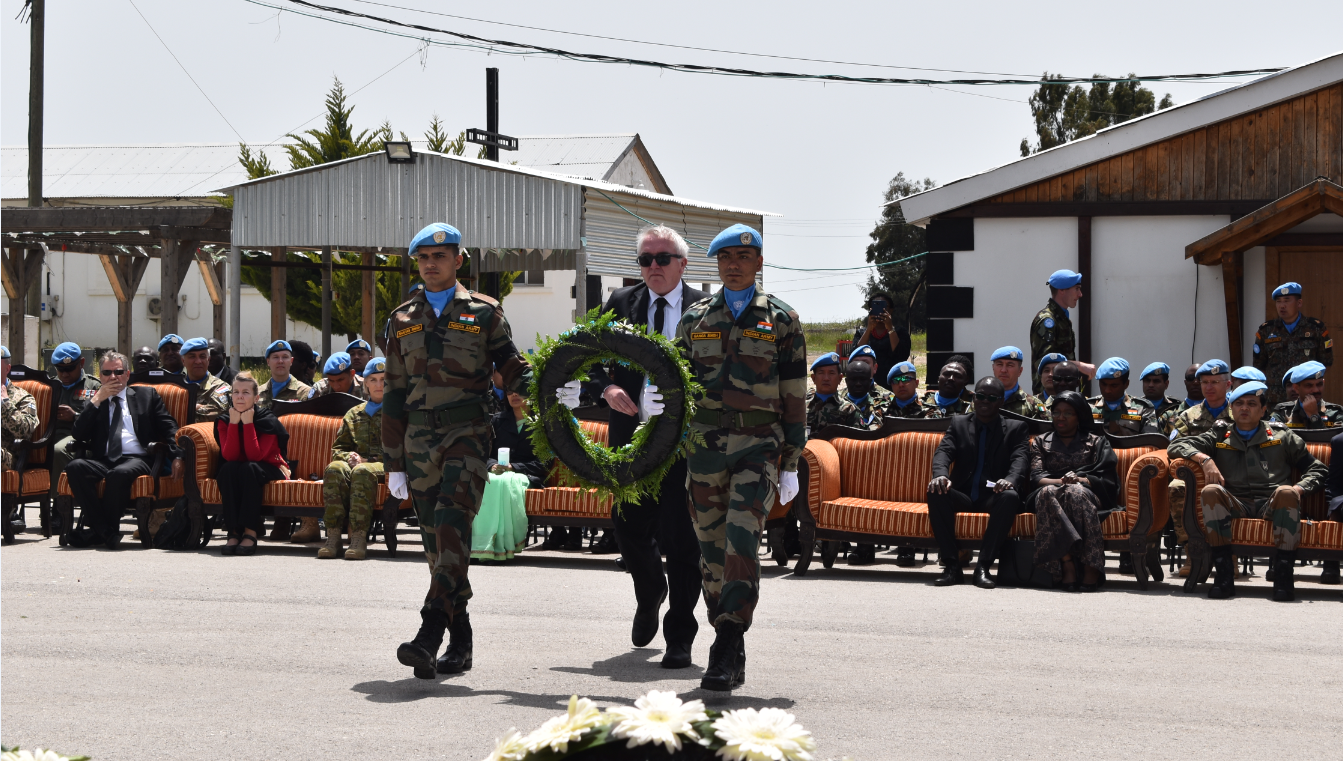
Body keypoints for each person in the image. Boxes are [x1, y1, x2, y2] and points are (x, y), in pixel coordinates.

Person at [387, 222, 533, 679]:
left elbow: (512, 364)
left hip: (466, 434)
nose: (431, 264)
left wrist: (542, 389)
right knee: (437, 543)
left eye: (440, 256)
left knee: (453, 525)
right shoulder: (402, 318)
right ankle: (461, 638)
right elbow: (393, 391)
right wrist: (393, 462)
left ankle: (429, 632)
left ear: (458, 260)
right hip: (418, 441)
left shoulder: (484, 312)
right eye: (424, 258)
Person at [561, 224, 710, 668]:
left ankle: (680, 634)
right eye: (645, 260)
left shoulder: (704, 310)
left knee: (682, 540)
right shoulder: (622, 303)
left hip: (683, 443)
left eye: (662, 259)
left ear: (683, 264)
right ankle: (650, 593)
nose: (653, 267)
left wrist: (686, 399)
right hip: (630, 440)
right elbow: (584, 353)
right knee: (627, 528)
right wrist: (605, 389)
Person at [671, 223, 805, 691]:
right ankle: (730, 634)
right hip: (704, 448)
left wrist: (791, 460)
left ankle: (726, 641)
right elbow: (675, 382)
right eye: (725, 258)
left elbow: (794, 393)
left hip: (758, 445)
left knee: (742, 540)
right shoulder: (695, 319)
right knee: (711, 551)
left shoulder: (782, 319)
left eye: (743, 258)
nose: (733, 265)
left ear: (759, 263)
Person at [1169, 381, 1327, 601]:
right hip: (1236, 502)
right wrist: (1205, 459)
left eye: (1252, 404)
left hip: (1272, 503)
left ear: (1263, 410)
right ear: (1231, 409)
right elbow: (1175, 446)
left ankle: (1283, 577)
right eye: (1239, 403)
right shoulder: (1220, 434)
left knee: (1286, 492)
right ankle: (1224, 576)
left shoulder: (1282, 436)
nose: (1244, 408)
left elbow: (1317, 469)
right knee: (1211, 491)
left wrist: (1299, 489)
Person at [63, 351, 179, 549]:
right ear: (100, 376)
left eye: (118, 372)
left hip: (138, 459)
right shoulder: (95, 401)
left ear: (127, 374)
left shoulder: (146, 396)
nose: (113, 377)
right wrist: (97, 400)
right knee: (75, 467)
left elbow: (170, 428)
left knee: (119, 473)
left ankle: (99, 532)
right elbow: (78, 434)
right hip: (104, 459)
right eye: (107, 373)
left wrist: (178, 456)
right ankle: (105, 531)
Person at [926, 376, 1030, 588]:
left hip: (993, 495)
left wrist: (1009, 480)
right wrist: (941, 475)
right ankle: (952, 566)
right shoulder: (959, 424)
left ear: (1001, 401)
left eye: (991, 398)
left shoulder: (1016, 428)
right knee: (936, 490)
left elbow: (1020, 460)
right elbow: (944, 452)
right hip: (963, 494)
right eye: (980, 396)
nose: (984, 401)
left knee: (1010, 497)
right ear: (974, 398)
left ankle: (983, 566)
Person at [1028, 391, 1118, 591]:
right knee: (1047, 492)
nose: (1061, 417)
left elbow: (1107, 479)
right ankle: (1067, 562)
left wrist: (1079, 480)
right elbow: (1036, 477)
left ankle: (1090, 565)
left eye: (1068, 413)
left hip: (1087, 492)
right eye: (1056, 412)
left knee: (1075, 492)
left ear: (1079, 416)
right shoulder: (1041, 441)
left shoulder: (1096, 442)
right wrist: (1062, 481)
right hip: (1049, 491)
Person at [1166, 359, 1233, 574]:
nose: (1208, 387)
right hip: (1195, 474)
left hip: (1232, 474)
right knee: (1177, 487)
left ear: (1228, 384)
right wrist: (1203, 459)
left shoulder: (1240, 411)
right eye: (1204, 382)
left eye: (1214, 382)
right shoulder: (1188, 416)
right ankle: (1192, 553)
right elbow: (1174, 447)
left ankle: (1230, 556)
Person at [215, 372, 290, 556]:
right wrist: (234, 423)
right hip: (242, 467)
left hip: (271, 467)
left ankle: (250, 531)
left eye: (246, 392)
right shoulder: (225, 421)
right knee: (227, 469)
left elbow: (255, 456)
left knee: (250, 468)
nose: (240, 396)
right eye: (236, 392)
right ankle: (233, 532)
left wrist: (248, 424)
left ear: (256, 398)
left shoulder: (267, 421)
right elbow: (230, 456)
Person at [474, 369, 545, 563]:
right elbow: (483, 453)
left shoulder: (543, 424)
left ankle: (503, 545)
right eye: (510, 391)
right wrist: (492, 465)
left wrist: (514, 467)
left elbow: (543, 464)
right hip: (496, 473)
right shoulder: (497, 421)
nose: (514, 395)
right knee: (487, 480)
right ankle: (481, 546)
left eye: (520, 390)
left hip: (526, 474)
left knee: (504, 482)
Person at [320, 358, 387, 560]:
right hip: (357, 464)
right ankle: (333, 536)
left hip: (387, 467)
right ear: (365, 383)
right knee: (334, 468)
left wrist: (367, 461)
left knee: (362, 471)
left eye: (384, 379)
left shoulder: (399, 413)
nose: (378, 384)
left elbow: (403, 451)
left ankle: (358, 537)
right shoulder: (354, 414)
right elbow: (338, 448)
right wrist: (349, 457)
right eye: (373, 379)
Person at [1252, 281, 1333, 408]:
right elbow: (1259, 366)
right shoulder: (1266, 331)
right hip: (1275, 398)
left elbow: (1325, 362)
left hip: (1307, 397)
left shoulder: (1316, 328)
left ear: (1299, 303)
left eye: (1286, 301)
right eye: (1278, 301)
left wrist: (1309, 384)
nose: (1282, 306)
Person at [46, 342, 101, 507]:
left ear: (82, 363)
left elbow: (101, 420)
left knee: (57, 450)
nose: (64, 374)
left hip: (80, 439)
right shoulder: (50, 387)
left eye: (70, 369)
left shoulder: (94, 387)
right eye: (60, 369)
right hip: (51, 435)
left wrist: (75, 416)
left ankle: (59, 505)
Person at [1030, 269, 1096, 394]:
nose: (1080, 294)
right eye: (1076, 289)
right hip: (1049, 393)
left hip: (1061, 390)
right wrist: (1079, 365)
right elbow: (1046, 360)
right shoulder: (1048, 320)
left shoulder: (1061, 318)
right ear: (1062, 290)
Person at [852, 291, 911, 392]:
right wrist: (869, 329)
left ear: (890, 310)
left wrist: (890, 328)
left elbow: (901, 355)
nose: (880, 311)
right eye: (875, 307)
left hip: (892, 382)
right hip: (865, 383)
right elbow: (855, 355)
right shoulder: (861, 333)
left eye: (884, 307)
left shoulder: (900, 332)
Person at [1087, 357, 1158, 435]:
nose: (1107, 390)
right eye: (1103, 384)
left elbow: (1150, 440)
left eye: (1114, 385)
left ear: (1126, 384)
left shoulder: (1143, 408)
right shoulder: (1088, 407)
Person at [2, 346, 40, 472]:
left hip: (7, 455)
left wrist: (5, 404)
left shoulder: (24, 398)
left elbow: (24, 431)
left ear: (7, 369)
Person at [1271, 361, 1342, 428]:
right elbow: (1276, 435)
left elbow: (1335, 436)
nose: (1316, 390)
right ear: (1296, 388)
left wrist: (1314, 416)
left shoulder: (1336, 413)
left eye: (1319, 384)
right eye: (1309, 385)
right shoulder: (1283, 412)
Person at [807, 352, 863, 432]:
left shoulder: (848, 410)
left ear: (840, 378)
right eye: (821, 373)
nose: (826, 378)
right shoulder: (802, 407)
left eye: (831, 373)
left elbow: (856, 438)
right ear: (813, 378)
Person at [180, 337, 231, 423]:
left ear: (208, 360)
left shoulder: (220, 387)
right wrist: (199, 407)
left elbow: (220, 412)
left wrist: (184, 408)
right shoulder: (175, 386)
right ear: (183, 361)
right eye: (192, 357)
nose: (198, 361)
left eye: (202, 356)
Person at [991, 346, 1047, 419]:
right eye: (999, 364)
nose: (1004, 370)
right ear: (993, 368)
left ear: (1020, 371)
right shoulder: (982, 400)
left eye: (1010, 365)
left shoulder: (1034, 405)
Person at [256, 340, 312, 407]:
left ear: (291, 361)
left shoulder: (305, 392)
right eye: (276, 357)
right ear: (268, 361)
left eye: (285, 357)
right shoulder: (257, 393)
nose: (280, 361)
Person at [845, 345, 892, 421]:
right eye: (856, 362)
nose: (860, 366)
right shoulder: (839, 397)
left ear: (875, 368)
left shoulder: (888, 398)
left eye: (866, 363)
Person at [842, 356, 885, 431]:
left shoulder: (881, 407)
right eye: (853, 379)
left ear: (870, 381)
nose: (858, 384)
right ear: (846, 381)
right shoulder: (837, 405)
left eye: (862, 379)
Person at [1139, 362, 1181, 430]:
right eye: (1147, 381)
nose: (1151, 385)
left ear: (1166, 384)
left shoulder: (1176, 408)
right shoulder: (1134, 406)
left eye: (1156, 381)